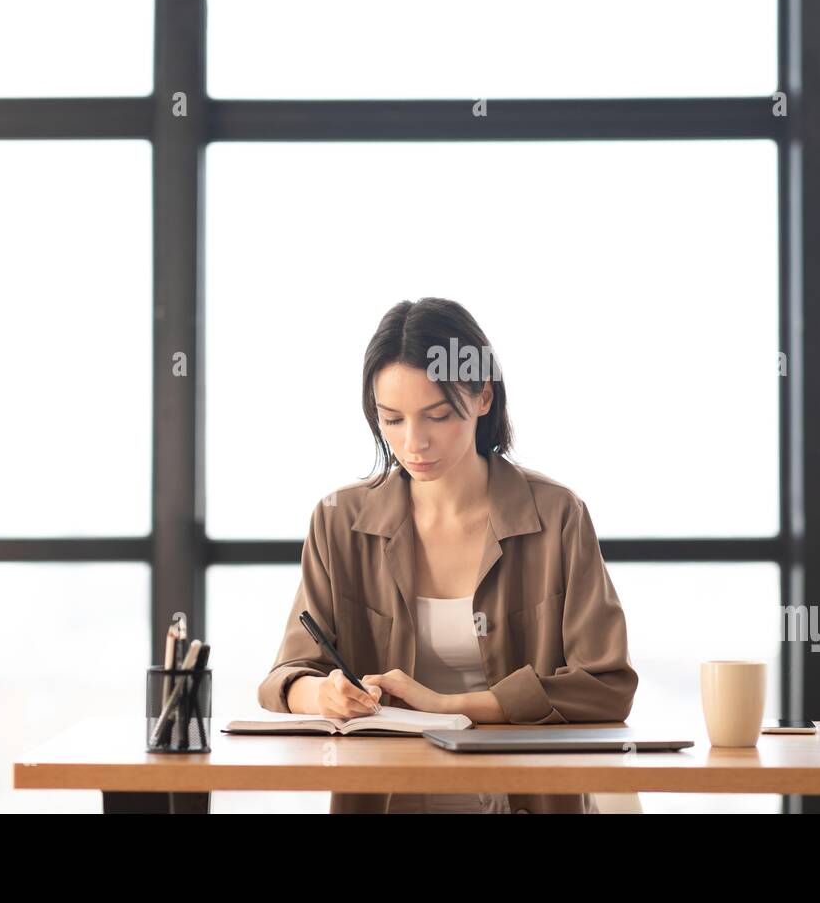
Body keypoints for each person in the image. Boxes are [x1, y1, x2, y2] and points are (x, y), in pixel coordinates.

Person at [257, 297, 637, 813]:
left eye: (437, 416)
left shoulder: (557, 515)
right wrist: (322, 695)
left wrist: (448, 706)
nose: (414, 444)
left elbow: (606, 685)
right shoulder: (339, 521)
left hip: (526, 802)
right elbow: (287, 675)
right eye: (391, 420)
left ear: (482, 396)